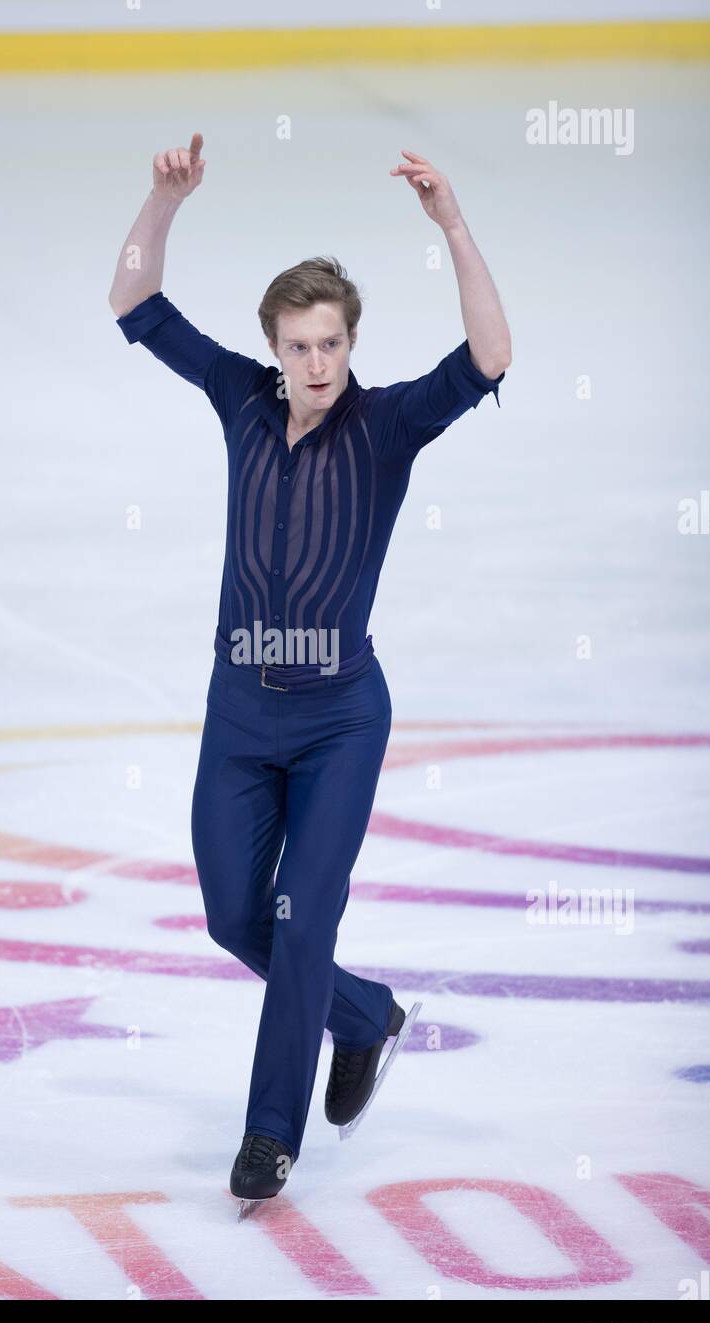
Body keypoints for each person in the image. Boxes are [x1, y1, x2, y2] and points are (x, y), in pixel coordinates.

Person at [108, 132, 511, 1210]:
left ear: (347, 343)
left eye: (331, 342)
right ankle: (364, 1015)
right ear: (274, 348)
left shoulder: (384, 428)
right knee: (234, 917)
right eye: (299, 345)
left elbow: (486, 359)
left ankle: (269, 1137)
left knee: (297, 916)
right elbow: (135, 306)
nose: (317, 363)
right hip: (237, 714)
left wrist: (452, 227)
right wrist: (161, 203)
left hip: (339, 722)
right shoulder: (239, 399)